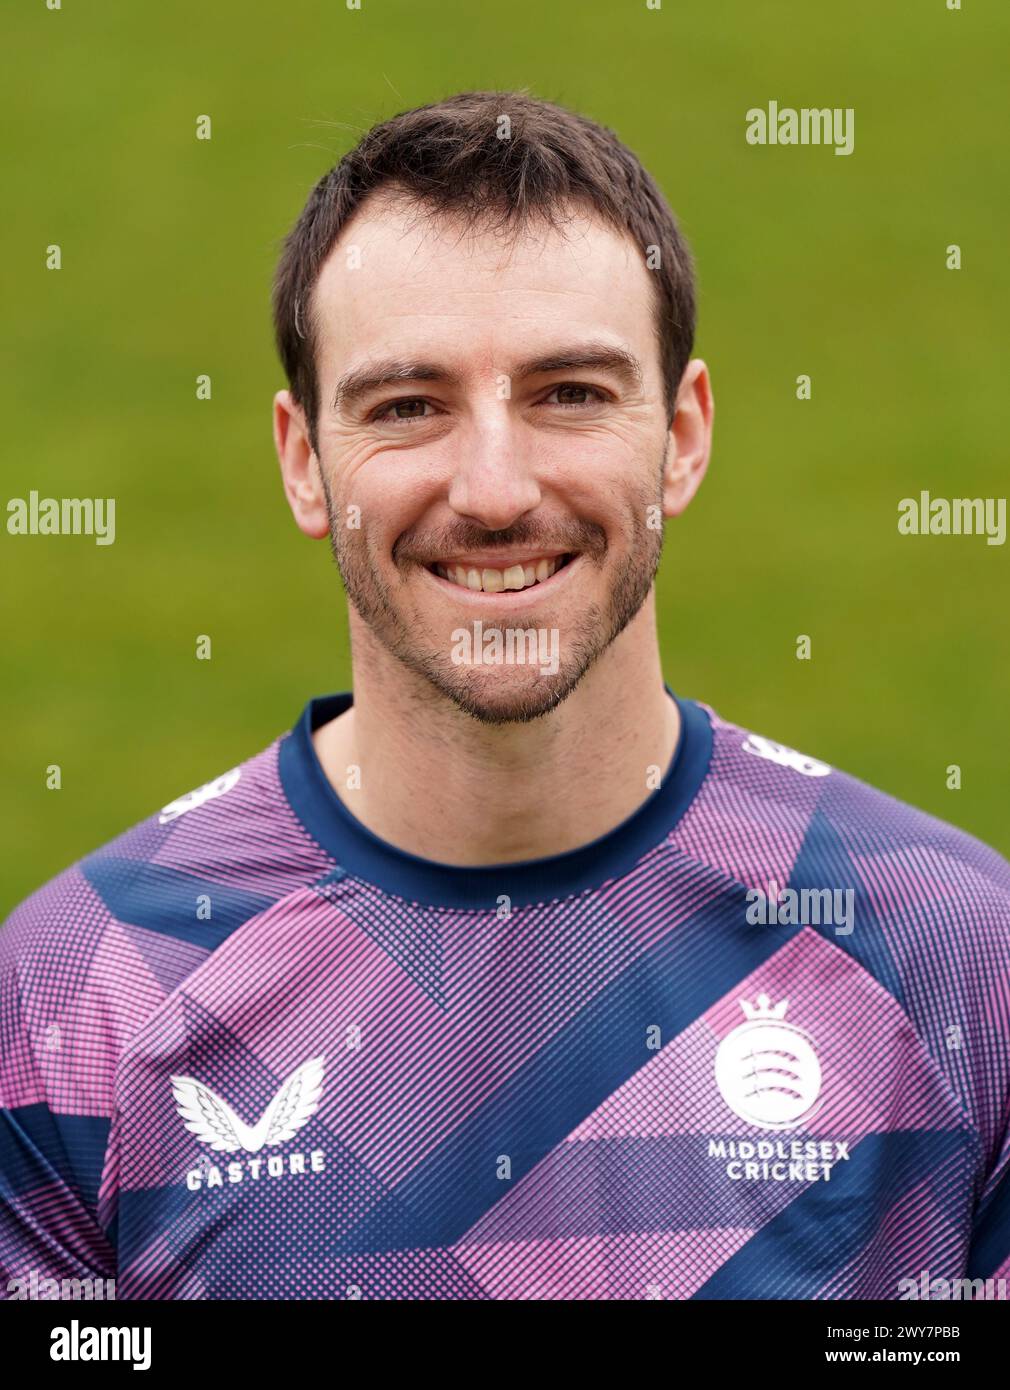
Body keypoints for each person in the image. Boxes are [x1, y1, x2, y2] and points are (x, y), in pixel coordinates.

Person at [2, 90, 1008, 1302]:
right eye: (407, 407)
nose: (491, 488)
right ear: (302, 460)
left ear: (681, 436)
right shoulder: (78, 998)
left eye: (568, 394)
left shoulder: (957, 961)